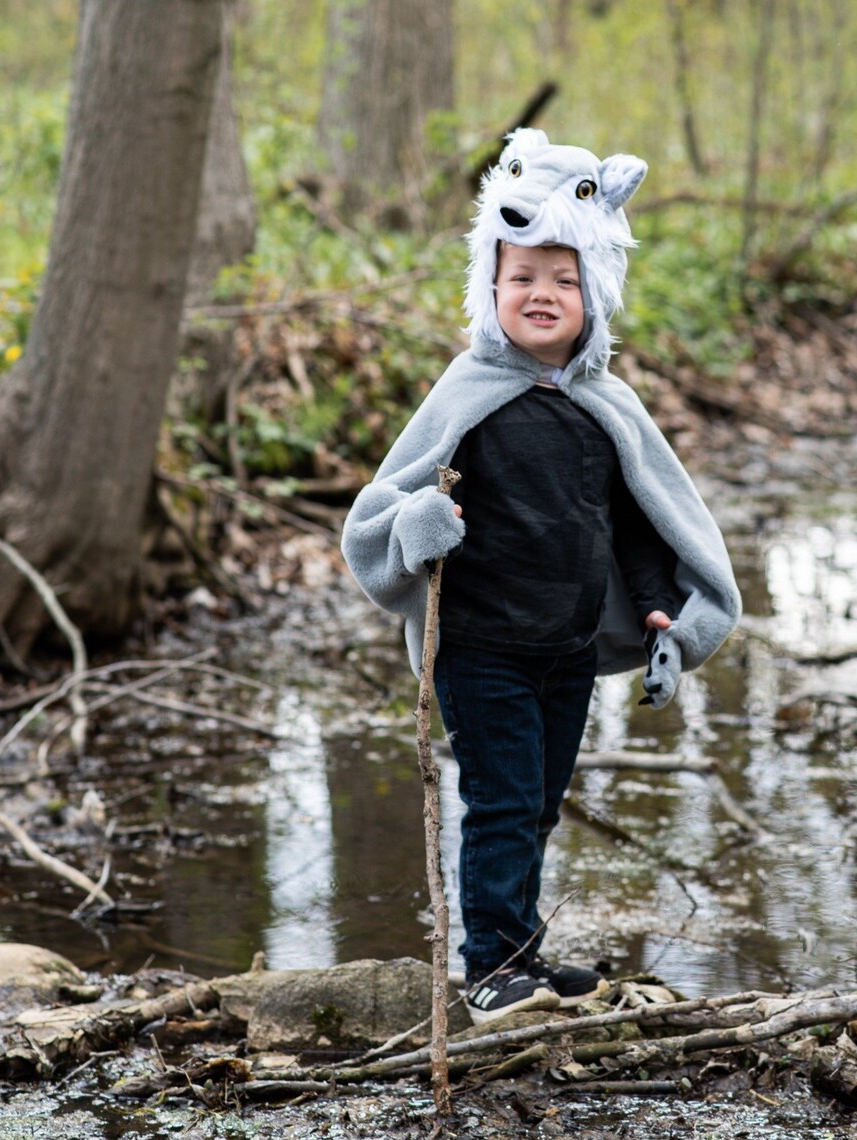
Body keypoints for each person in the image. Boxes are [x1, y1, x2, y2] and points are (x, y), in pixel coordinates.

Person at [341, 129, 741, 1024]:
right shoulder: (468, 393)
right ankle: (490, 969)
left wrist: (658, 608)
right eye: (522, 278)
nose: (542, 295)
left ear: (594, 294)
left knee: (540, 806)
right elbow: (386, 509)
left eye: (563, 281)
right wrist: (420, 526)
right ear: (491, 289)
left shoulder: (606, 410)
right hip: (479, 645)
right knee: (503, 801)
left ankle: (521, 953)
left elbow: (638, 524)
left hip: (564, 648)